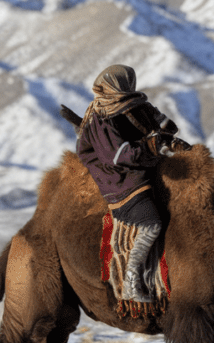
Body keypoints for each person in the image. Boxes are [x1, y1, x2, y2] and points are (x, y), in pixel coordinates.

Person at [76, 65, 178, 302]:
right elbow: (118, 155)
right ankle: (133, 280)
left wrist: (170, 141)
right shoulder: (99, 119)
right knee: (152, 224)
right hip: (120, 180)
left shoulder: (134, 105)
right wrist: (151, 146)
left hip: (145, 168)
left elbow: (163, 127)